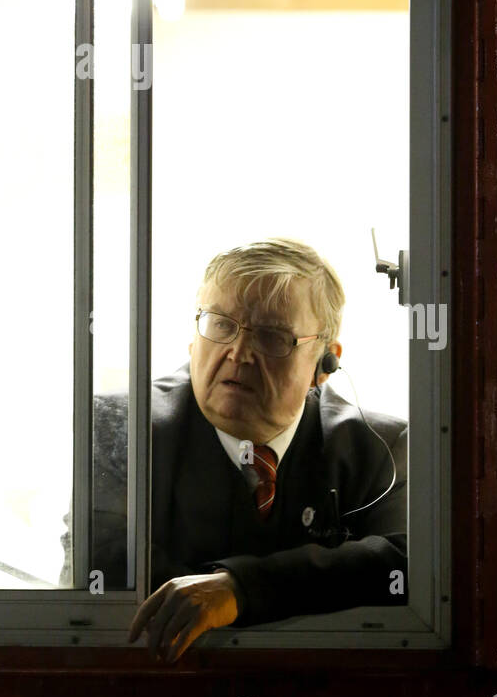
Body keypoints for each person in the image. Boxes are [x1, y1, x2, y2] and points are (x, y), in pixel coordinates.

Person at [63, 239, 407, 662]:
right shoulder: (122, 428)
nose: (239, 353)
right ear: (193, 339)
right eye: (221, 324)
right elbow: (101, 573)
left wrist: (240, 589)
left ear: (325, 364)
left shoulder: (381, 448)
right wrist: (312, 584)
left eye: (273, 336)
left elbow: (403, 568)